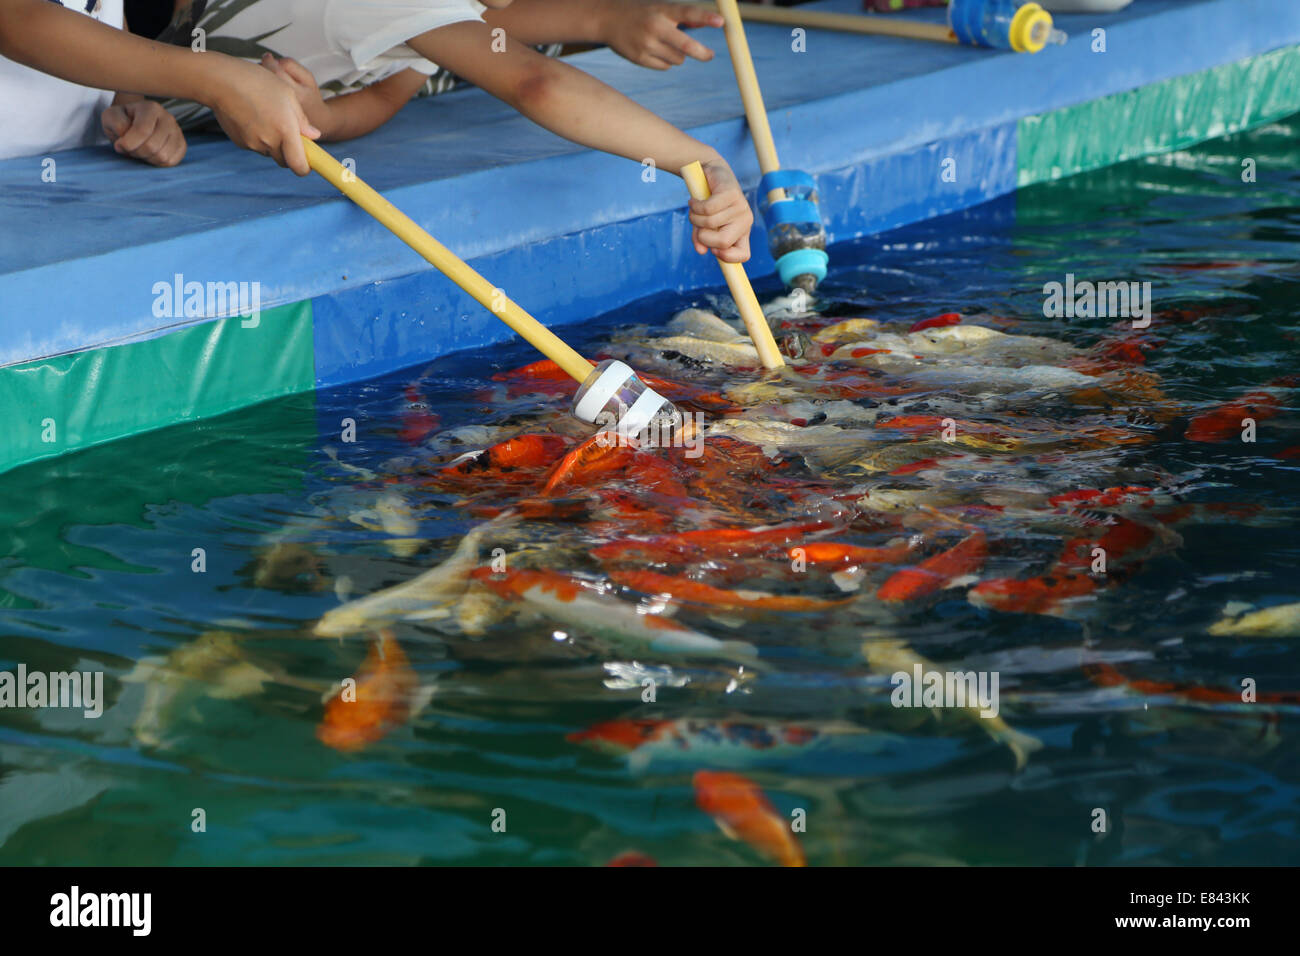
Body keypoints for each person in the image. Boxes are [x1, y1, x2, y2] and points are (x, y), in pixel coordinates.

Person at [160, 0, 753, 262]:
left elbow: (387, 94)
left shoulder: (435, 17)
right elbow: (535, 83)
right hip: (117, 110)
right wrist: (697, 160)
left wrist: (324, 118)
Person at [0, 0, 318, 171]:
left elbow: (97, 8)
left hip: (76, 175)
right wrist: (217, 80)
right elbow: (13, 16)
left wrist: (127, 100)